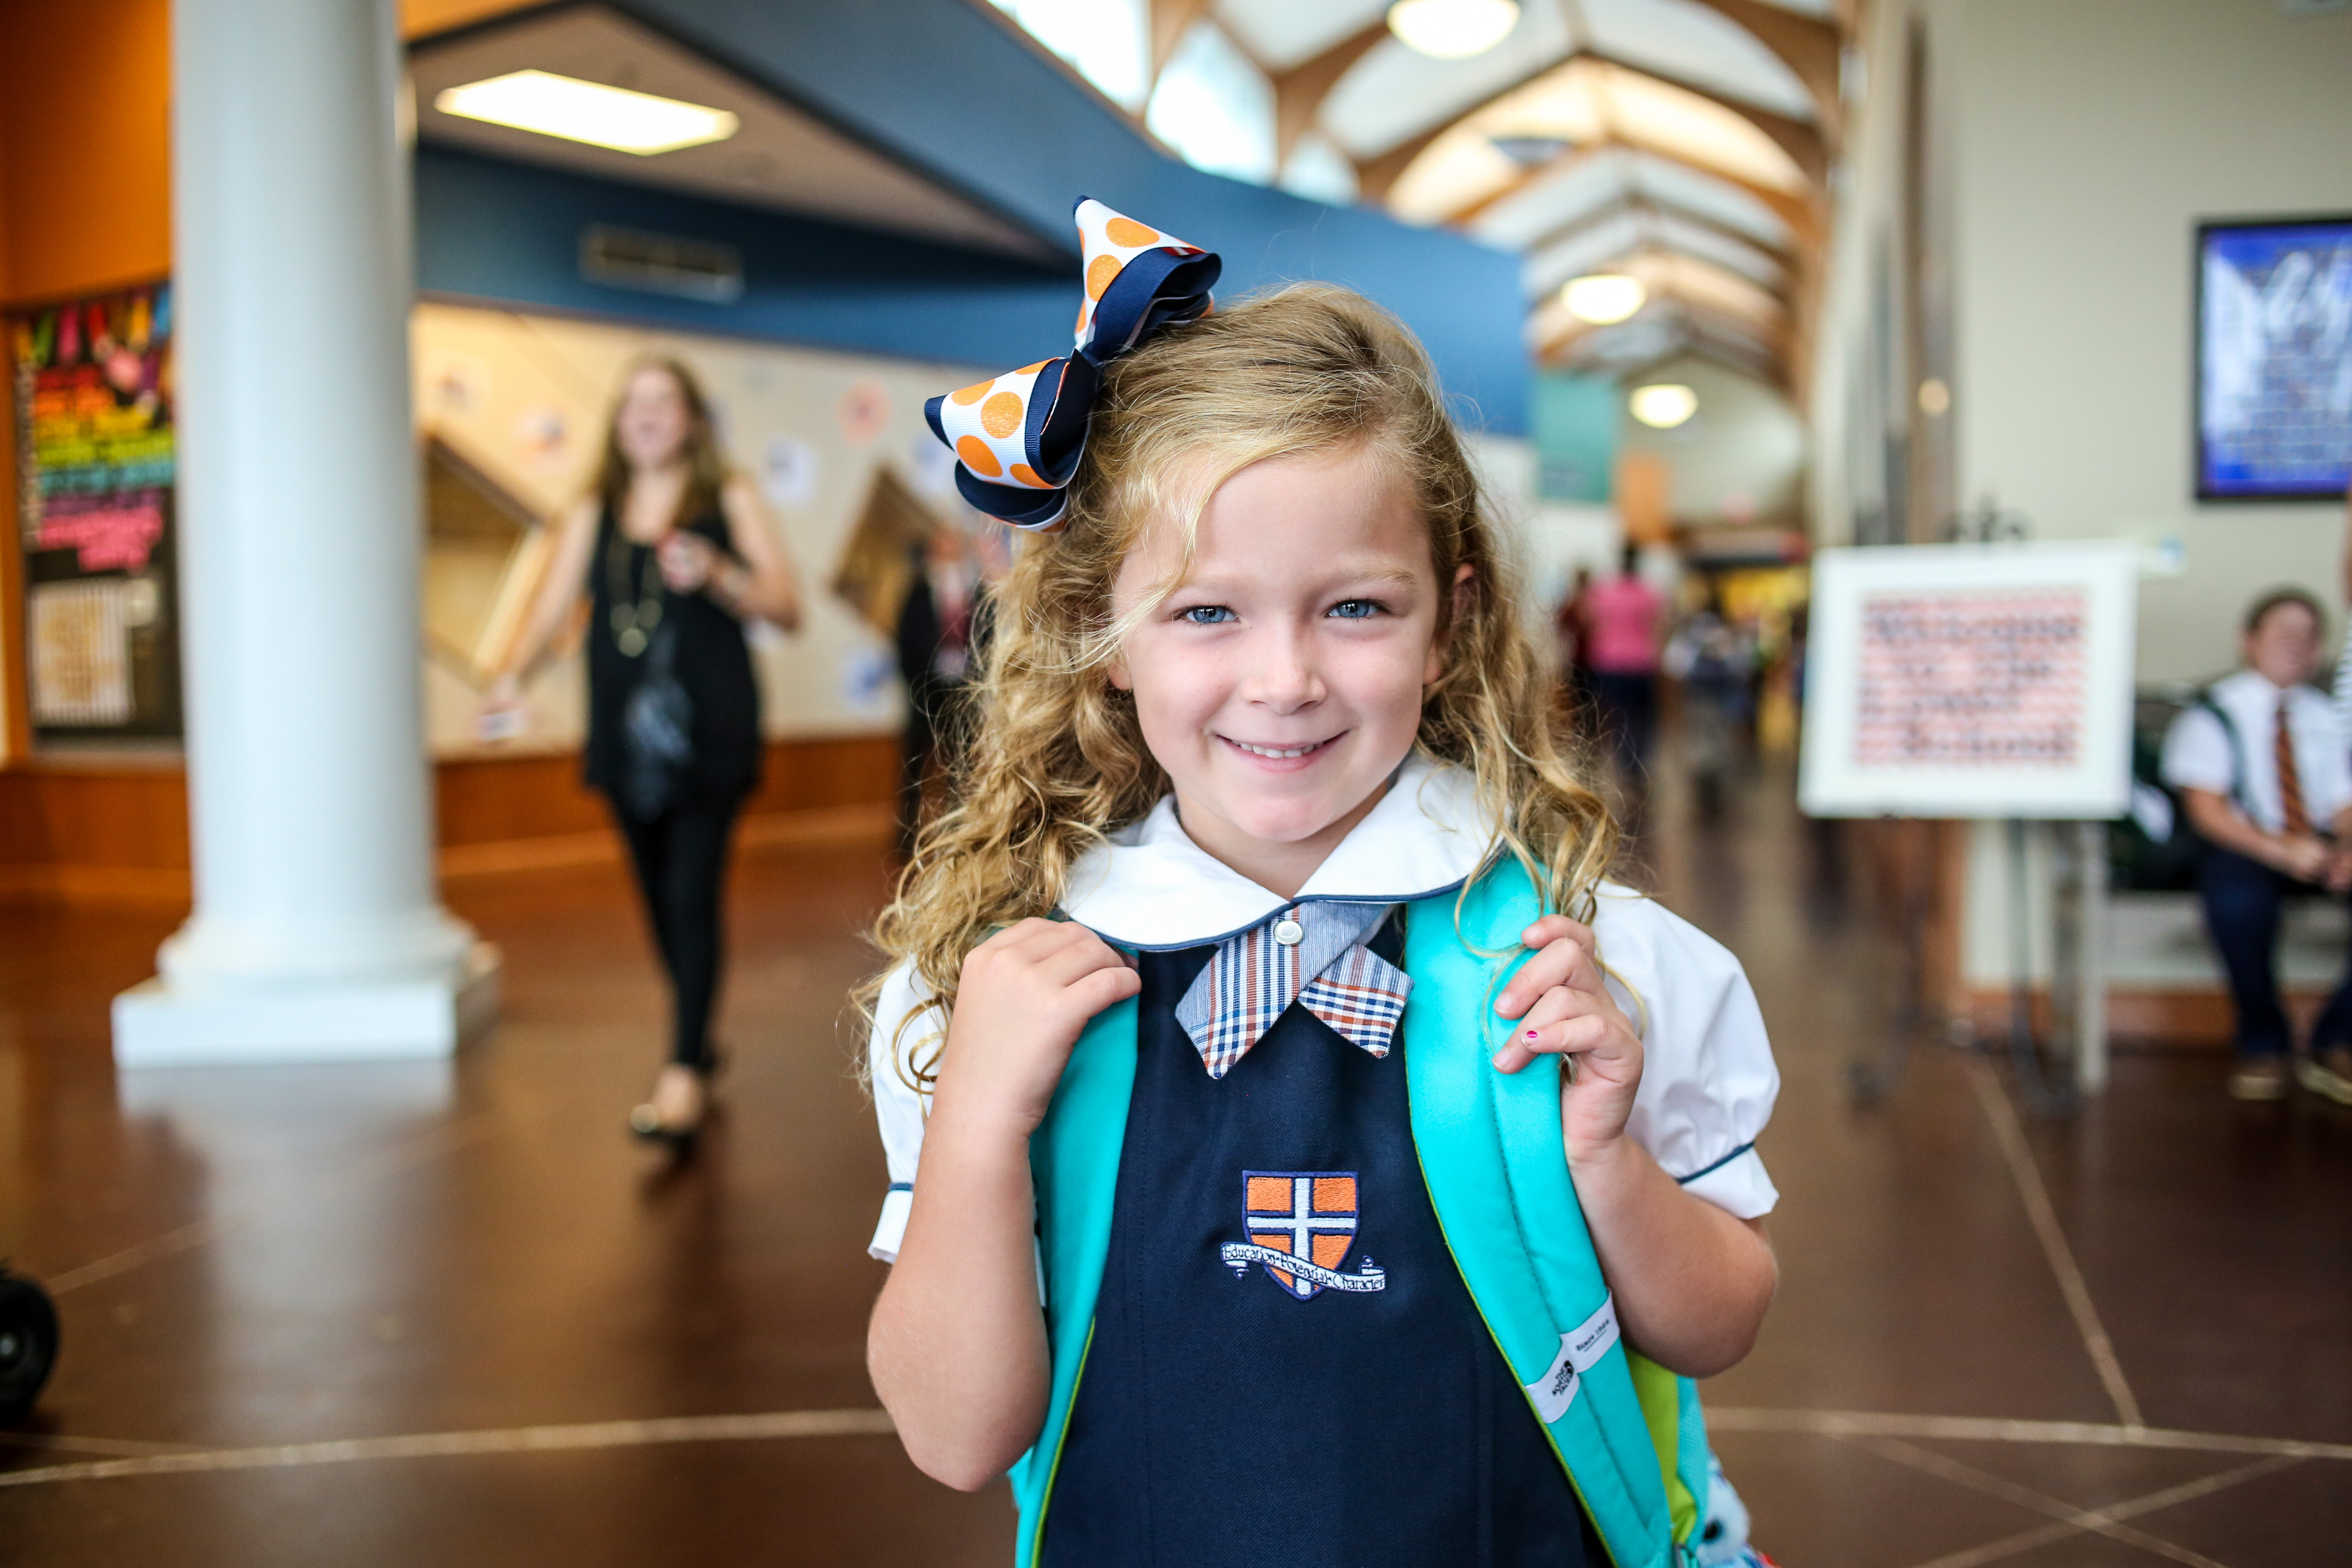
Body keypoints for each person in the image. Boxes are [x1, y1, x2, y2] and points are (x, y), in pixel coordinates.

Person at [861, 204, 1780, 1568]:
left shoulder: (1594, 963)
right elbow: (953, 1439)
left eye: (1355, 607)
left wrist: (1607, 1156)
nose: (1284, 680)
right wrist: (979, 1128)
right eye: (1205, 612)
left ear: (1450, 619)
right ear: (1103, 637)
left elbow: (1720, 1324)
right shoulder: (983, 1000)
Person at [484, 359, 803, 1142]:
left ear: (692, 418)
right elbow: (550, 607)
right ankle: (699, 1030)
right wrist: (506, 681)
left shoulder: (729, 497)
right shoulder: (595, 509)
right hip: (624, 741)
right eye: (633, 405)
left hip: (710, 733)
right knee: (660, 902)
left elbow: (786, 607)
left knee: (692, 894)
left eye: (663, 402)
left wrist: (720, 573)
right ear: (618, 424)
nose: (647, 416)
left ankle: (684, 1071)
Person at [2162, 589, 2352, 1103]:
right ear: (2250, 642)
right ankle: (2263, 1040)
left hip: (2320, 843)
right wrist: (2281, 851)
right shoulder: (2215, 712)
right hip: (2247, 845)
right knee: (2237, 904)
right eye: (2283, 633)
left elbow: (2344, 803)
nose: (2296, 645)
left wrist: (2346, 851)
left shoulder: (2328, 716)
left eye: (2307, 636)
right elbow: (2208, 812)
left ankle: (2339, 1035)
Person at [1583, 543, 1667, 784]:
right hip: (1642, 663)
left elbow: (1591, 622)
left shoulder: (1604, 591)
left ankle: (1624, 761)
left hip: (1609, 662)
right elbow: (1659, 627)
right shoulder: (1650, 593)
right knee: (1642, 717)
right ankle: (1637, 762)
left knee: (1618, 716)